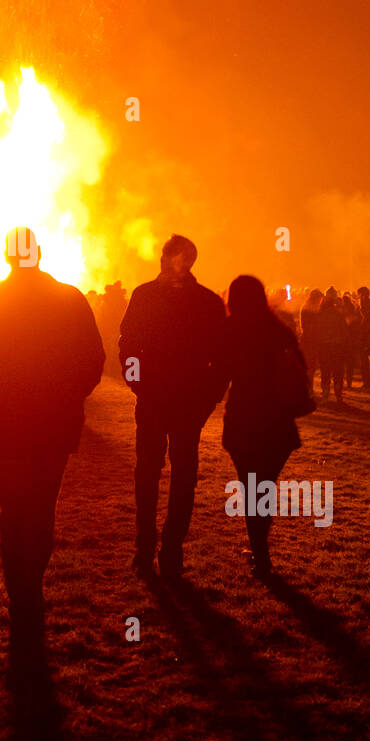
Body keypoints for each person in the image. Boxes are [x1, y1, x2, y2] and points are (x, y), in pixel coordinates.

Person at [0, 228, 105, 628]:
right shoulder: (70, 300)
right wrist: (69, 394)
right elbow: (93, 359)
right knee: (42, 506)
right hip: (55, 421)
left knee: (13, 505)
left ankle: (19, 593)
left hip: (9, 421)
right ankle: (32, 589)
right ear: (39, 253)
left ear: (6, 257)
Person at [118, 234, 227, 580]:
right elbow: (129, 345)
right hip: (177, 401)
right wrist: (206, 399)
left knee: (152, 474)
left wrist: (137, 384)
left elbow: (128, 346)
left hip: (165, 400)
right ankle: (165, 549)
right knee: (178, 476)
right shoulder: (205, 301)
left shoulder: (148, 296)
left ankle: (152, 547)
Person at [222, 276, 312, 578]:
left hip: (244, 418)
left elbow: (218, 373)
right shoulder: (278, 330)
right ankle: (261, 549)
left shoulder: (230, 330)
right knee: (265, 486)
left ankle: (260, 550)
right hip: (277, 421)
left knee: (250, 487)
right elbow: (300, 368)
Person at [316, 287, 348, 404]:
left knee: (326, 370)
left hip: (326, 345)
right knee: (337, 371)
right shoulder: (337, 314)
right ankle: (338, 394)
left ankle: (326, 393)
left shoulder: (320, 314)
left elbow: (317, 331)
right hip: (335, 345)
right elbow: (344, 330)